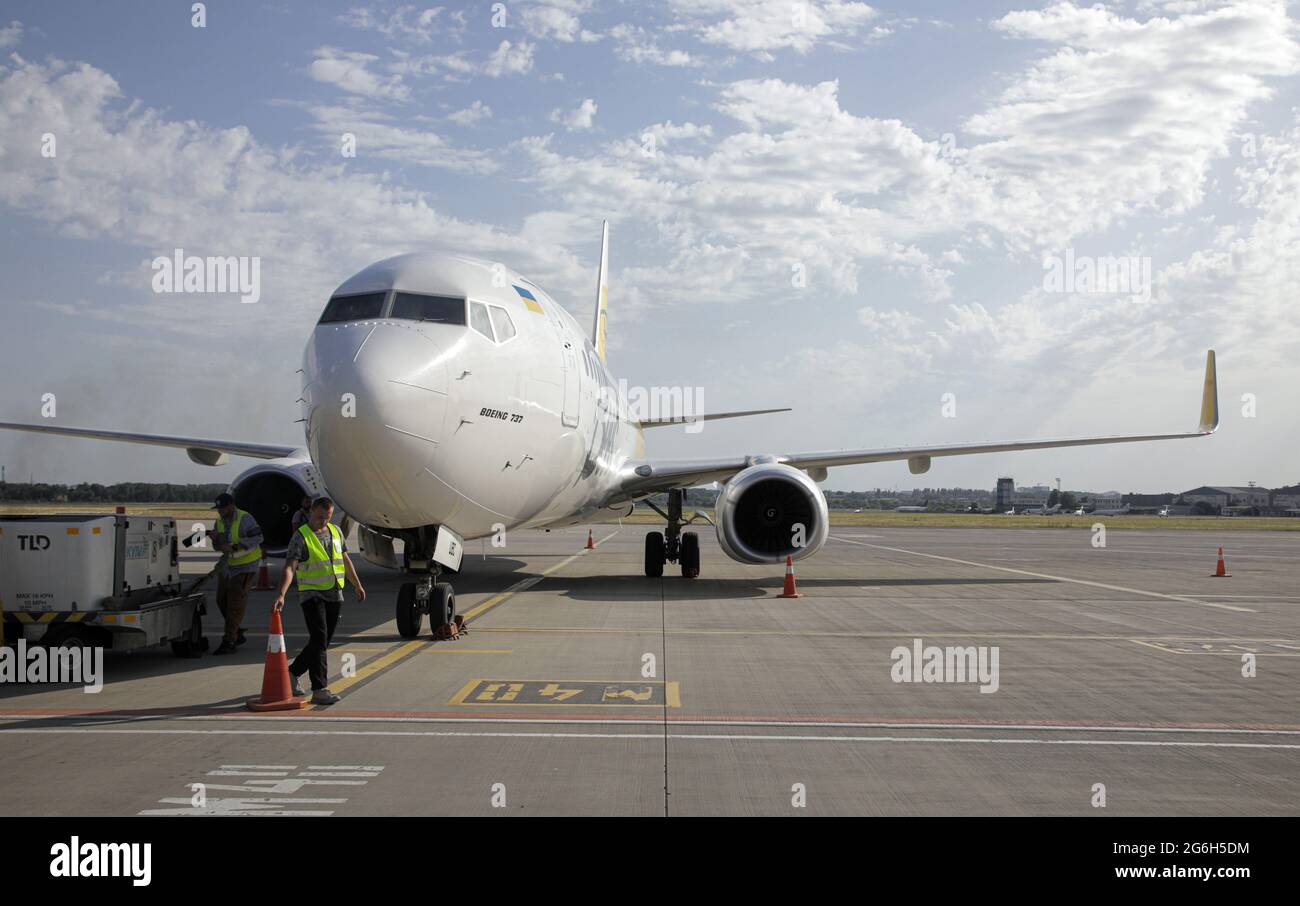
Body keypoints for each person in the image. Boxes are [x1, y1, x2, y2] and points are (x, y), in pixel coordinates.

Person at [273, 496, 365, 705]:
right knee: (320, 639)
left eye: (328, 517)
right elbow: (290, 567)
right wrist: (281, 594)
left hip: (334, 593)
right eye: (320, 517)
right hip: (311, 594)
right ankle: (319, 689)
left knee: (322, 641)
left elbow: (345, 559)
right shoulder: (301, 536)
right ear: (311, 512)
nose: (323, 521)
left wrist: (357, 584)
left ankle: (293, 672)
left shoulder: (335, 531)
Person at [210, 492, 263, 655]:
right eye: (218, 509)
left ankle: (229, 640)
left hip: (245, 566)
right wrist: (216, 540)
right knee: (221, 600)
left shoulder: (245, 519)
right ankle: (236, 631)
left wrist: (235, 547)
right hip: (228, 566)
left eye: (223, 508)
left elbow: (258, 538)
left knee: (235, 605)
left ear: (232, 506)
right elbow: (218, 547)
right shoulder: (219, 522)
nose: (220, 512)